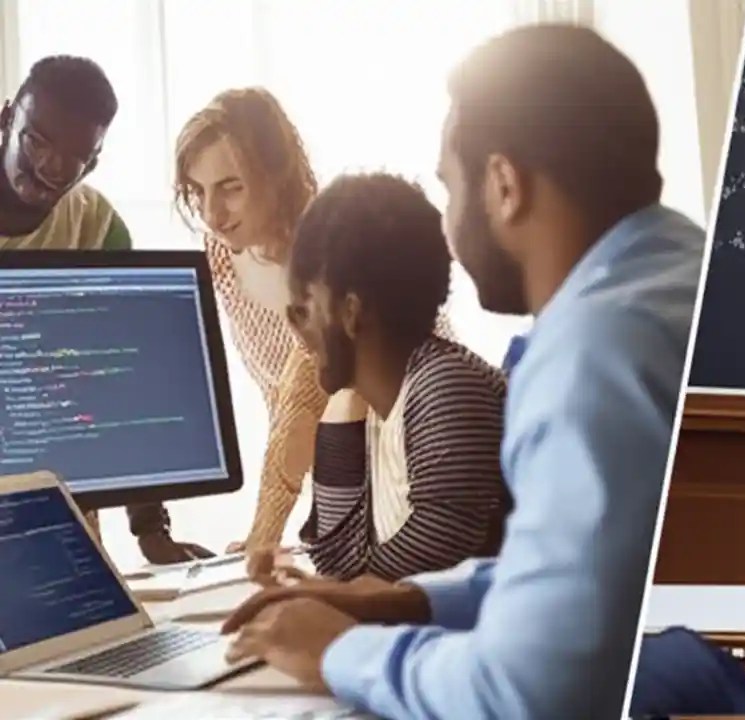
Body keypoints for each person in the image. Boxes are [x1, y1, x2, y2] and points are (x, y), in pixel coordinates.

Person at [220, 25, 705, 719]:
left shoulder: (593, 356)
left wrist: (337, 653)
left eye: (451, 188)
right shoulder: (677, 280)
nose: (447, 227)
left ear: (504, 185)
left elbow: (528, 693)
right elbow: (586, 582)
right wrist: (405, 599)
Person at [0, 54, 212, 564]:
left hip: (56, 497)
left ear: (92, 162)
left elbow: (120, 381)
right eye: (36, 140)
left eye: (74, 156)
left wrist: (151, 531)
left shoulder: (96, 227)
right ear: (8, 118)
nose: (51, 165)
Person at [267, 173, 509, 583]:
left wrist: (317, 596)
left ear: (351, 311)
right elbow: (337, 562)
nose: (296, 331)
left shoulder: (446, 387)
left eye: (302, 310)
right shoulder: (383, 406)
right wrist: (343, 397)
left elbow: (433, 567)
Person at [174, 88, 334, 552]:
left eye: (231, 187)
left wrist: (263, 539)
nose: (211, 214)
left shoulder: (331, 246)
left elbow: (304, 398)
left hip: (409, 468)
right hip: (332, 489)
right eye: (197, 190)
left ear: (277, 173)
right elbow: (279, 398)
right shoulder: (222, 255)